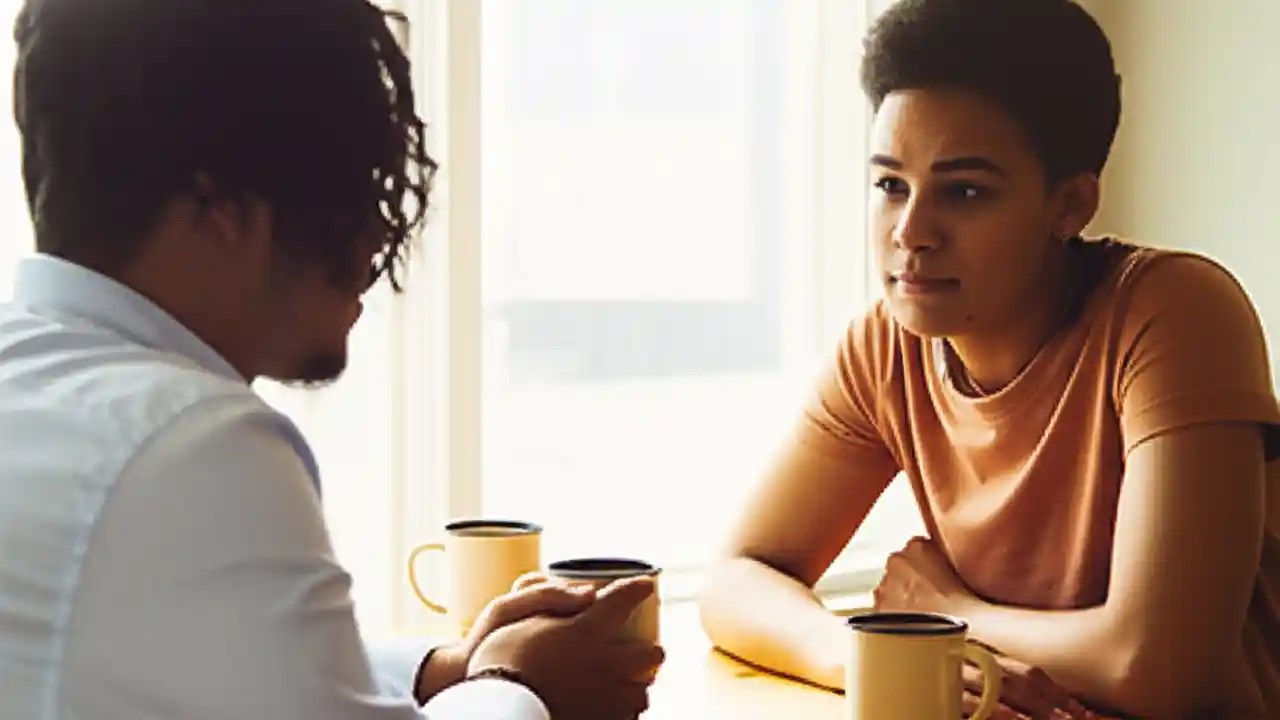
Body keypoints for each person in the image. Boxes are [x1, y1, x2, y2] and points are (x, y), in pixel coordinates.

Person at [0, 1, 662, 718]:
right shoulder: (190, 446)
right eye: (350, 176)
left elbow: (214, 663)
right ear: (217, 199)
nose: (381, 230)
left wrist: (452, 670)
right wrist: (514, 689)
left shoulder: (43, 388)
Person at [697, 0, 1280, 717]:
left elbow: (1159, 667)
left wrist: (949, 612)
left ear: (1069, 206)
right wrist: (870, 656)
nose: (910, 233)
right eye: (889, 185)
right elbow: (736, 578)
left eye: (964, 191)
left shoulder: (1174, 313)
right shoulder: (887, 348)